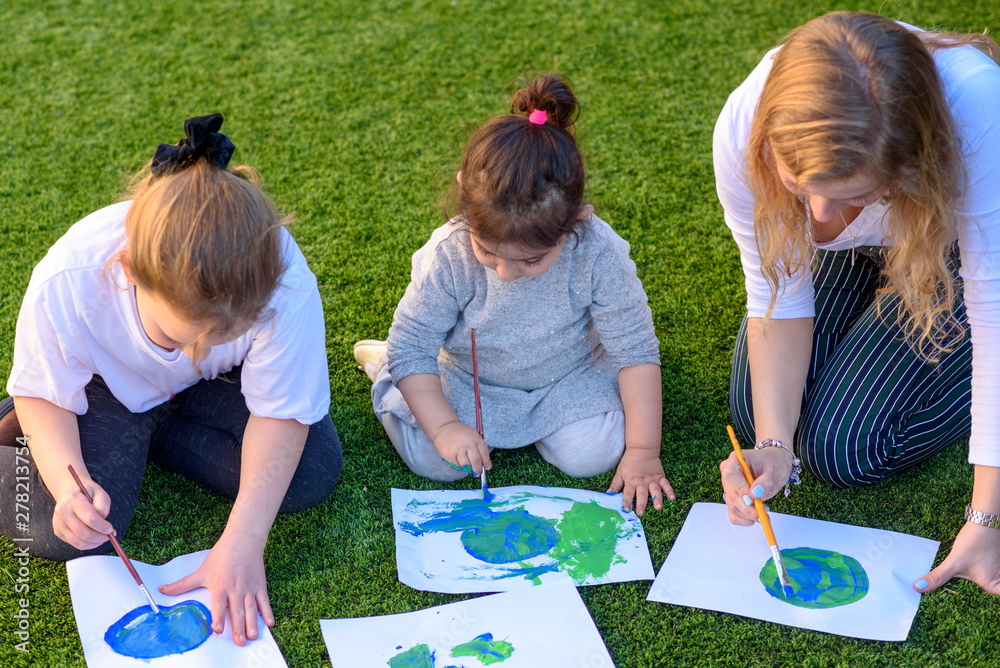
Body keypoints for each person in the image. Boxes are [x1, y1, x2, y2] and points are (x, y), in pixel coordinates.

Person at [0, 114, 343, 644]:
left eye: (225, 333)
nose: (199, 353)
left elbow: (282, 413)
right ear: (131, 271)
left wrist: (245, 540)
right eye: (180, 338)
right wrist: (69, 488)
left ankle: (142, 435)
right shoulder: (71, 278)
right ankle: (25, 424)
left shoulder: (283, 280)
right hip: (103, 388)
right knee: (59, 529)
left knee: (311, 469)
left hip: (215, 392)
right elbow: (43, 396)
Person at [714, 12, 1000, 594]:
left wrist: (987, 518)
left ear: (914, 162)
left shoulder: (978, 114)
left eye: (853, 195)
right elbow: (775, 286)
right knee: (764, 418)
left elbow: (993, 311)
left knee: (845, 448)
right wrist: (772, 444)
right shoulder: (745, 123)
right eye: (800, 187)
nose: (818, 219)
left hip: (950, 243)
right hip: (883, 234)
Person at [353, 75, 674, 515]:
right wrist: (446, 426)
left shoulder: (598, 253)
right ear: (465, 196)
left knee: (591, 455)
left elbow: (635, 350)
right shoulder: (447, 255)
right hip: (469, 381)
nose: (505, 273)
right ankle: (383, 371)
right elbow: (414, 347)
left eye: (532, 260)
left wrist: (642, 450)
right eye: (487, 252)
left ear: (577, 220)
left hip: (567, 377)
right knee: (437, 461)